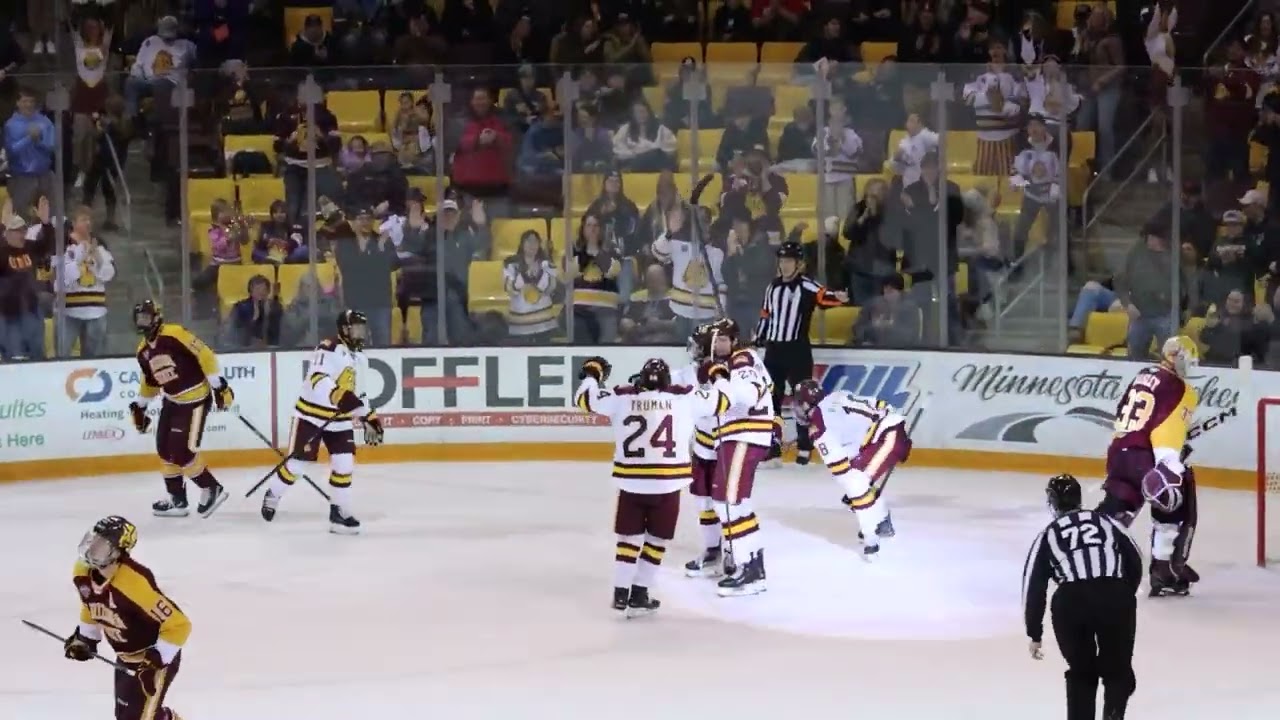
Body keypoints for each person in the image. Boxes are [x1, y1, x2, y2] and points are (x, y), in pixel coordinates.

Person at [573, 355, 727, 617]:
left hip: (630, 482)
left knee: (628, 539)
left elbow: (583, 399)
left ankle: (621, 592)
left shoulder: (621, 397)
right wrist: (718, 375)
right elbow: (723, 401)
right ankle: (640, 591)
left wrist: (591, 374)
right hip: (668, 483)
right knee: (657, 540)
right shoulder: (685, 399)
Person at [1022, 474, 1142, 720]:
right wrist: (1122, 594)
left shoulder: (1048, 534)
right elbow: (1135, 559)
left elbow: (1033, 586)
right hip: (1115, 595)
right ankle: (1114, 713)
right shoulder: (1106, 522)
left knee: (1081, 672)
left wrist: (1034, 632)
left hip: (1071, 602)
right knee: (1118, 670)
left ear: (1053, 502)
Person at [262, 310, 384, 534]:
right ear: (344, 329)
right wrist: (338, 395)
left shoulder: (362, 359)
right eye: (355, 328)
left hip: (339, 421)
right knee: (298, 465)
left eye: (362, 329)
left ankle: (339, 513)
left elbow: (360, 395)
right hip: (311, 416)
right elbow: (317, 379)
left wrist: (369, 416)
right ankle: (273, 494)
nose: (360, 333)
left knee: (344, 464)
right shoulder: (328, 348)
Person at [1100, 335, 1201, 596]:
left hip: (1119, 450)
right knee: (1173, 502)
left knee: (1117, 513)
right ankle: (1163, 569)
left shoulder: (1142, 374)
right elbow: (1167, 433)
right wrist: (1170, 465)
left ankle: (1089, 557)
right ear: (1178, 358)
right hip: (1145, 457)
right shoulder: (1182, 390)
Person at [63, 516, 191, 720]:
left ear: (118, 552)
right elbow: (91, 603)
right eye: (93, 539)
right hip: (125, 657)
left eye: (102, 545)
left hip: (154, 659)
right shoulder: (82, 571)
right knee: (127, 716)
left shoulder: (134, 583)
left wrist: (154, 663)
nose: (92, 548)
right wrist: (86, 638)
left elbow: (179, 625)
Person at [128, 300, 232, 519]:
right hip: (172, 401)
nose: (143, 323)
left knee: (183, 450)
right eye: (139, 319)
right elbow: (151, 381)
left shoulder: (175, 334)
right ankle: (177, 500)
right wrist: (141, 405)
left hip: (196, 401)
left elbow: (204, 354)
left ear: (157, 317)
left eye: (146, 318)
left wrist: (219, 386)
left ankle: (211, 487)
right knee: (164, 449)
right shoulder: (142, 351)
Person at [793, 379, 911, 558]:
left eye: (799, 403)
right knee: (857, 487)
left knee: (856, 486)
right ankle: (880, 522)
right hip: (888, 431)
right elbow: (874, 408)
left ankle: (873, 535)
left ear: (807, 402)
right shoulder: (837, 397)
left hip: (886, 438)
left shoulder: (819, 422)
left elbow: (839, 467)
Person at [754, 241, 848, 463]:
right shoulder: (772, 287)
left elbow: (824, 296)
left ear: (798, 264)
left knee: (802, 399)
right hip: (774, 350)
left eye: (789, 261)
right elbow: (766, 315)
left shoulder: (806, 285)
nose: (784, 265)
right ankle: (773, 445)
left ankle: (805, 445)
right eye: (782, 261)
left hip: (797, 349)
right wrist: (758, 336)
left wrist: (839, 298)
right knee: (771, 398)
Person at [704, 317, 773, 597]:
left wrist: (720, 377)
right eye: (715, 340)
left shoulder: (741, 360)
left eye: (722, 339)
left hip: (742, 437)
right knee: (739, 505)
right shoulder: (746, 360)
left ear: (734, 341)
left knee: (726, 505)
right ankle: (753, 563)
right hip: (742, 438)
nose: (717, 344)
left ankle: (748, 571)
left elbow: (746, 396)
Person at [674, 323, 728, 578]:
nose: (692, 348)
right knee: (702, 500)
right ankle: (711, 551)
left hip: (729, 444)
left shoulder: (731, 372)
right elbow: (667, 382)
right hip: (702, 445)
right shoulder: (686, 373)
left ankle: (733, 553)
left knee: (728, 504)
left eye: (697, 344)